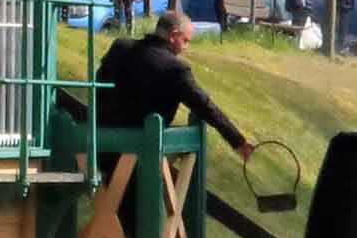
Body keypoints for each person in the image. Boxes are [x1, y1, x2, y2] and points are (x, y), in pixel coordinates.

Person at [98, 11, 252, 155]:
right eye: (185, 41)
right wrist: (237, 141)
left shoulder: (120, 47)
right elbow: (204, 106)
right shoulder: (175, 68)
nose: (186, 47)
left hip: (98, 144)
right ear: (173, 35)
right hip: (142, 152)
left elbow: (99, 85)